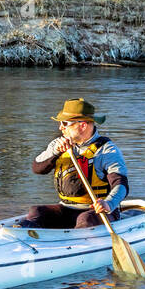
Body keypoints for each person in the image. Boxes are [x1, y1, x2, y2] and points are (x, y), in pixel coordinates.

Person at [22, 98, 129, 229]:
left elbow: (121, 184)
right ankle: (24, 236)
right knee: (36, 211)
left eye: (65, 123)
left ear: (82, 125)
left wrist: (108, 204)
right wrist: (55, 152)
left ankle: (79, 245)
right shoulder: (58, 144)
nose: (60, 127)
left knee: (86, 219)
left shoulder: (107, 150)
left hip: (98, 213)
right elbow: (37, 168)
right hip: (67, 208)